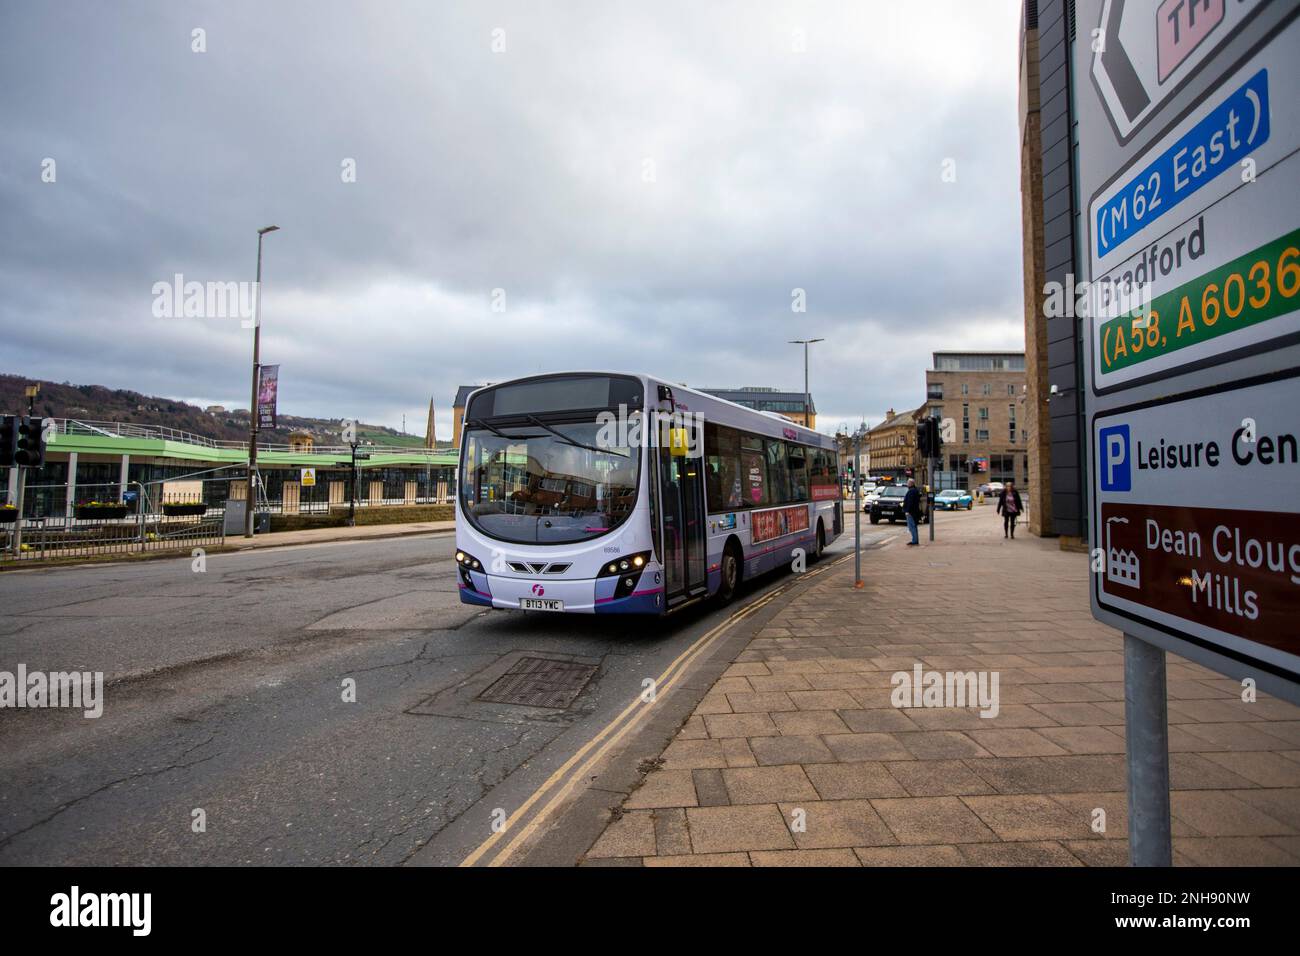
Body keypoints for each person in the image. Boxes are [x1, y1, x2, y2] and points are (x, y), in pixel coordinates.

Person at [903, 478, 921, 546]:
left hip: (911, 512)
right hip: (914, 511)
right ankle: (915, 540)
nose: (907, 484)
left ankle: (915, 541)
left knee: (911, 527)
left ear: (911, 484)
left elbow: (910, 502)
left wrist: (907, 510)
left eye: (908, 483)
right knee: (914, 526)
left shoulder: (911, 491)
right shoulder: (915, 490)